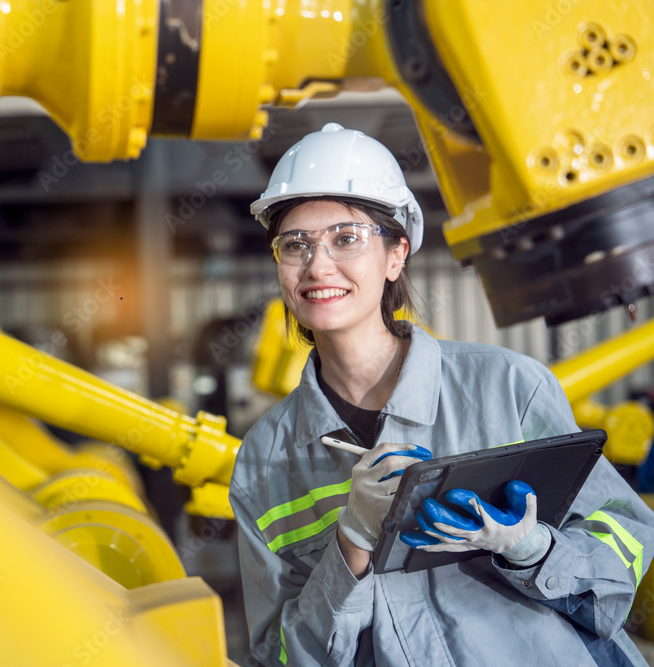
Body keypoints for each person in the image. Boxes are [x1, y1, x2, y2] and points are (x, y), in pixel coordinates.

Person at [230, 123, 654, 666]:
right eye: (295, 245)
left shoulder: (507, 387)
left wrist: (531, 550)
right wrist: (352, 544)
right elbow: (285, 656)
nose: (317, 265)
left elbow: (625, 542)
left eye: (346, 237)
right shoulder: (265, 460)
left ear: (396, 255)